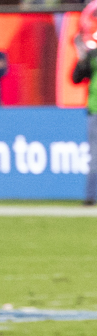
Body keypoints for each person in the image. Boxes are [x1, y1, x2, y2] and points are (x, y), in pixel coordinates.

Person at [71, 28, 97, 205]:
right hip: (95, 110)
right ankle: (90, 196)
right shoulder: (93, 55)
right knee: (95, 156)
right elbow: (76, 78)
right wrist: (81, 59)